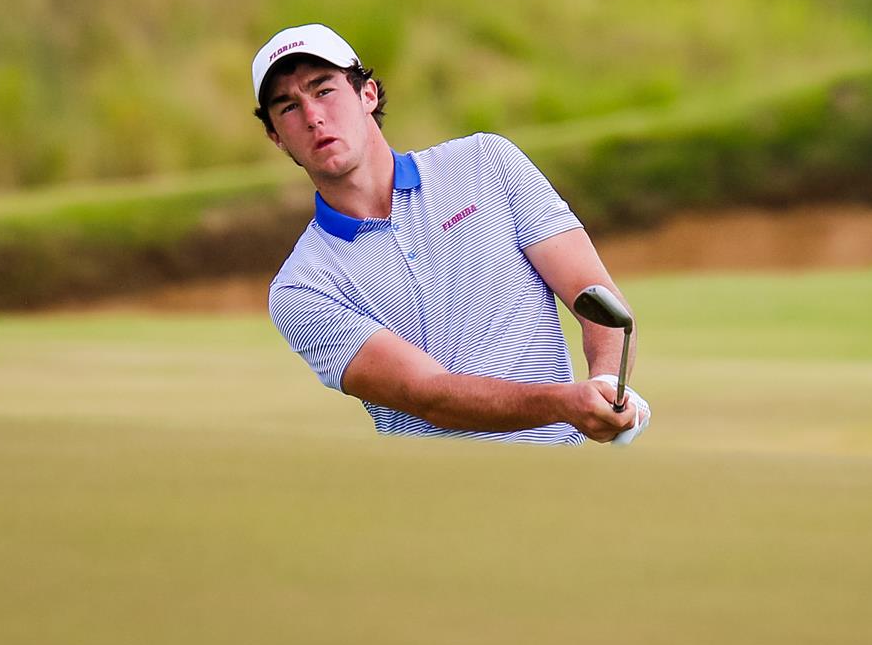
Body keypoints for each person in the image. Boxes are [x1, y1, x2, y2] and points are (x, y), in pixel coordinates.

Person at [252, 23, 651, 446]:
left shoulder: (485, 163)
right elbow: (427, 394)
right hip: (434, 501)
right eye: (288, 107)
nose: (313, 116)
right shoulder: (302, 286)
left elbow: (593, 296)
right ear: (276, 136)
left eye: (324, 90)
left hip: (554, 475)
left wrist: (607, 385)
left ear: (366, 94)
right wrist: (567, 403)